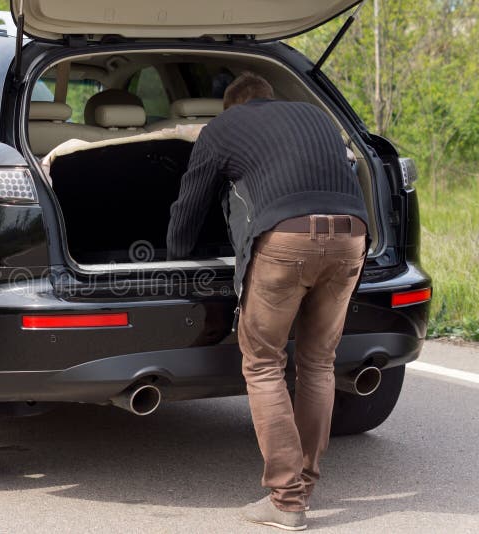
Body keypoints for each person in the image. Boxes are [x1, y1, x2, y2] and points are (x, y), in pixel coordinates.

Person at [167, 72, 369, 531]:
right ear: (269, 97)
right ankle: (304, 488)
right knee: (319, 363)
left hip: (285, 240)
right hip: (352, 237)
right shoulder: (317, 115)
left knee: (262, 363)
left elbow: (189, 208)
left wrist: (178, 253)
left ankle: (286, 499)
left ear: (231, 106)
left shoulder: (223, 128)